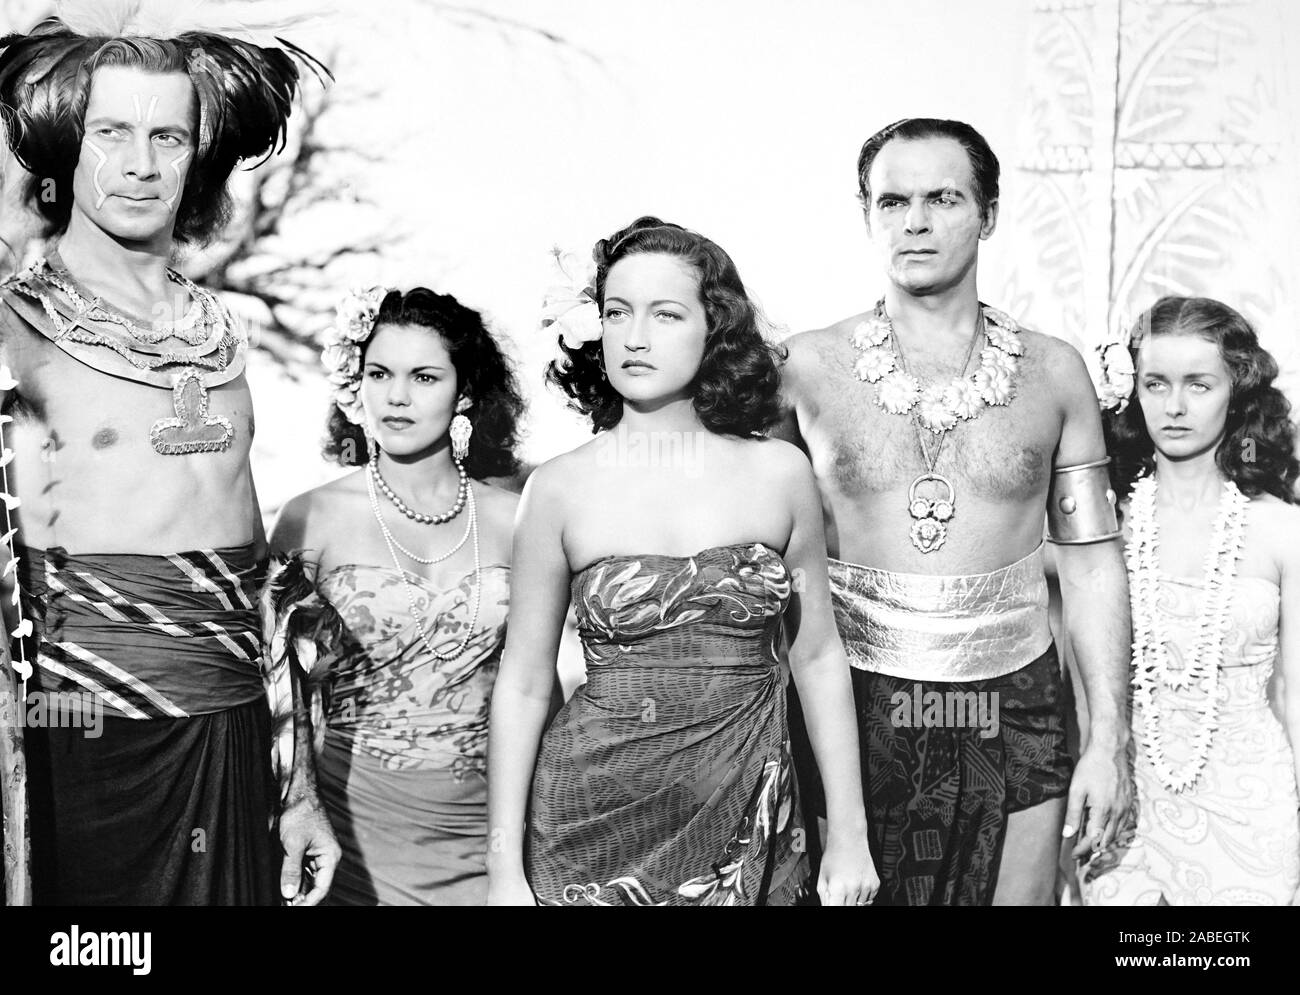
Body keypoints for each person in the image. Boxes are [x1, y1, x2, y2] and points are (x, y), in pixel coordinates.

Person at [0, 6, 337, 905]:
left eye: (167, 137)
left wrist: (300, 783)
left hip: (232, 745)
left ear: (199, 156)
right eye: (110, 132)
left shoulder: (223, 338)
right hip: (83, 745)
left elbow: (262, 580)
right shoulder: (10, 329)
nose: (140, 164)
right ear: (67, 142)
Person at [776, 118, 1133, 905]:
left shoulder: (1055, 371)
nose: (916, 221)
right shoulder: (803, 368)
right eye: (892, 200)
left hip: (1014, 699)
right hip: (853, 704)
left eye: (943, 197)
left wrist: (1108, 738)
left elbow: (1092, 559)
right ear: (866, 213)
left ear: (990, 212)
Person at [486, 217, 877, 907]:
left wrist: (849, 835)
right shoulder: (557, 488)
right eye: (616, 312)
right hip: (590, 821)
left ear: (714, 328)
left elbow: (817, 658)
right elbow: (521, 684)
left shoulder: (780, 474)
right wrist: (502, 870)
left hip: (750, 818)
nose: (634, 336)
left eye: (665, 314)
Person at [267, 287, 523, 905]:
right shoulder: (312, 517)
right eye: (379, 374)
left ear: (465, 392)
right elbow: (279, 691)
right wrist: (295, 808)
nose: (396, 396)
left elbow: (540, 683)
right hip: (353, 830)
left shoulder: (522, 519)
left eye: (424, 377)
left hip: (491, 833)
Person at [1082, 296, 1300, 905]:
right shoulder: (1103, 526)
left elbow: (1297, 691)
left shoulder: (1283, 531)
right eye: (1155, 383)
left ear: (1238, 393)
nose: (1174, 406)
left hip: (1252, 810)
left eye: (1198, 385)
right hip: (1126, 808)